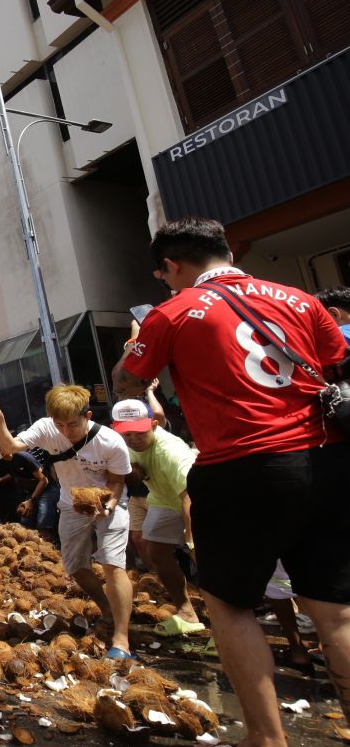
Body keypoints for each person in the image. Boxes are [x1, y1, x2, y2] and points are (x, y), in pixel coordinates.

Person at [112, 217, 350, 744]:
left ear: (172, 266)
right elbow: (335, 362)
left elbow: (128, 381)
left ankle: (267, 738)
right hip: (325, 458)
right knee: (334, 609)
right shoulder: (300, 299)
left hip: (241, 465)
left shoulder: (170, 312)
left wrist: (137, 341)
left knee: (229, 603)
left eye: (163, 274)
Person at [0, 385, 135, 659]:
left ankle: (122, 639)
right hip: (70, 504)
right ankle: (107, 608)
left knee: (113, 565)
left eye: (73, 425)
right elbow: (10, 446)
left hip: (109, 504)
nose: (66, 431)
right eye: (60, 425)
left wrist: (109, 506)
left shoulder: (111, 442)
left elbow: (117, 481)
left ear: (87, 415)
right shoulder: (46, 427)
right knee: (75, 566)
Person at [111, 399, 204, 636]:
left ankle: (225, 621)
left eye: (139, 433)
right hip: (163, 500)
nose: (133, 439)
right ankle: (186, 611)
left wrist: (192, 540)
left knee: (204, 560)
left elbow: (190, 499)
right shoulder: (126, 445)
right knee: (155, 550)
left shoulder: (171, 452)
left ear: (153, 425)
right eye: (126, 434)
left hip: (199, 502)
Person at [0, 437, 45, 525]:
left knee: (43, 521)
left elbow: (44, 480)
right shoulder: (0, 463)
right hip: (29, 491)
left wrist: (31, 500)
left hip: (45, 489)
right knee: (26, 522)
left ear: (2, 449)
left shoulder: (23, 457)